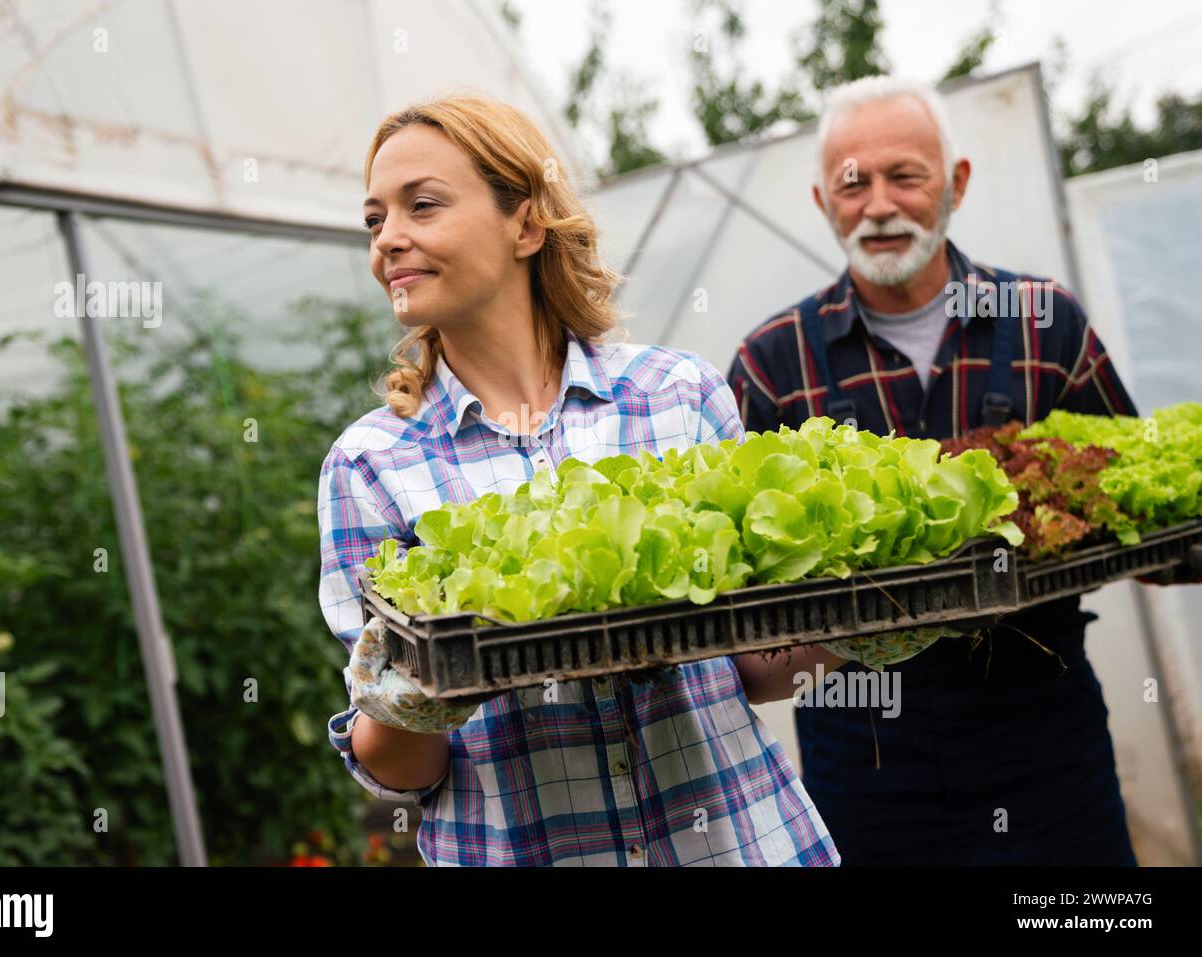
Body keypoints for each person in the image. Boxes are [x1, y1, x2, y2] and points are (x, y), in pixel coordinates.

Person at [318, 94, 850, 866]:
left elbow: (756, 667)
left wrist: (856, 621)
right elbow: (398, 769)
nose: (388, 240)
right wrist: (428, 686)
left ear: (526, 224)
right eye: (375, 219)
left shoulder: (677, 395)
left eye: (422, 206)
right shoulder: (369, 466)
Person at [725, 75, 1142, 866]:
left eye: (905, 176)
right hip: (863, 749)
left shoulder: (1044, 322)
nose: (878, 203)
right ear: (824, 201)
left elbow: (1132, 503)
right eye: (854, 182)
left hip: (1042, 728)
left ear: (955, 184)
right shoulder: (772, 363)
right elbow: (737, 587)